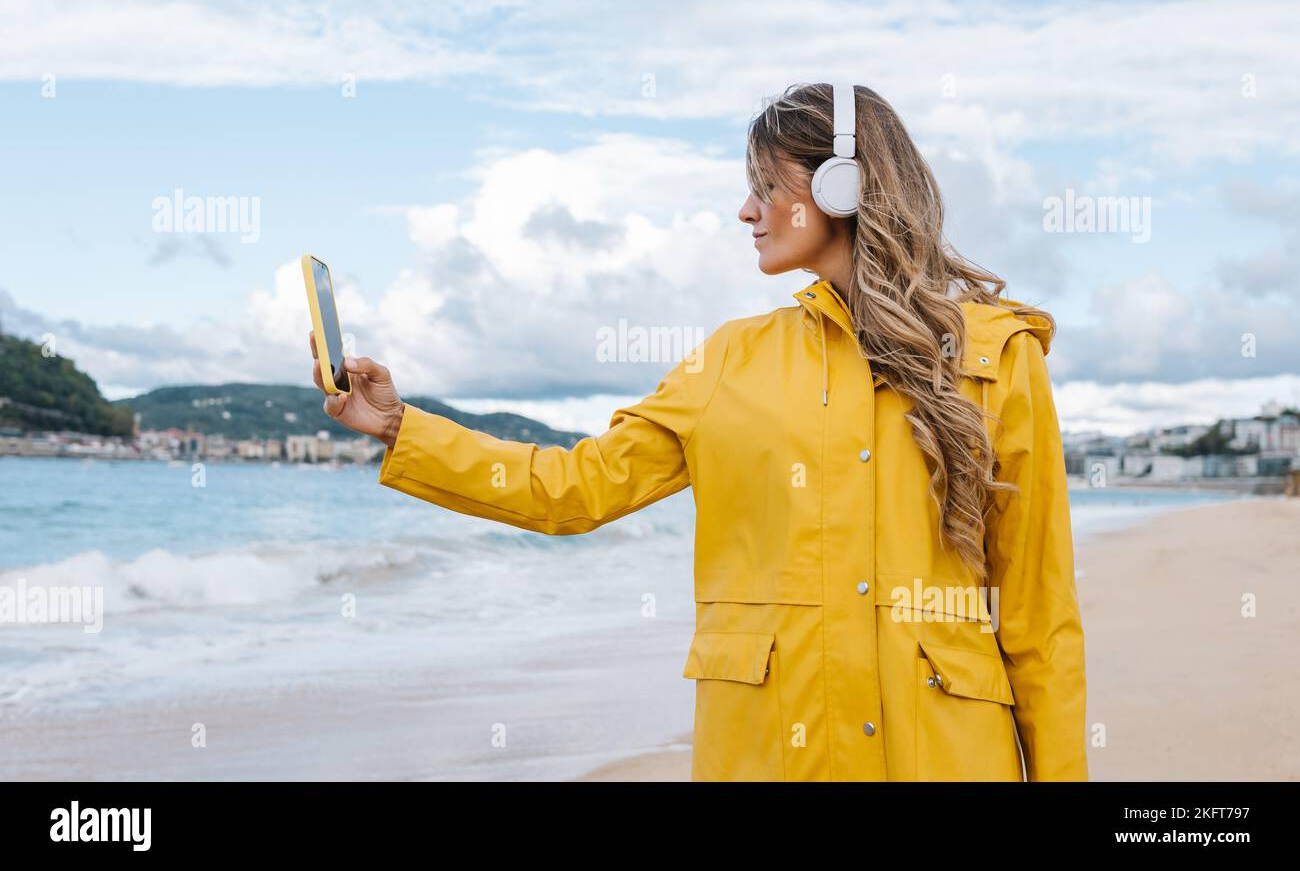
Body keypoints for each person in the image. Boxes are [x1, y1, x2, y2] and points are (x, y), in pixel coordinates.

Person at [308, 82, 1088, 782]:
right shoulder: (730, 362)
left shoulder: (996, 359)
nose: (745, 211)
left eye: (764, 187)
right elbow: (570, 490)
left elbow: (1038, 620)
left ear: (842, 186)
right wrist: (402, 427)